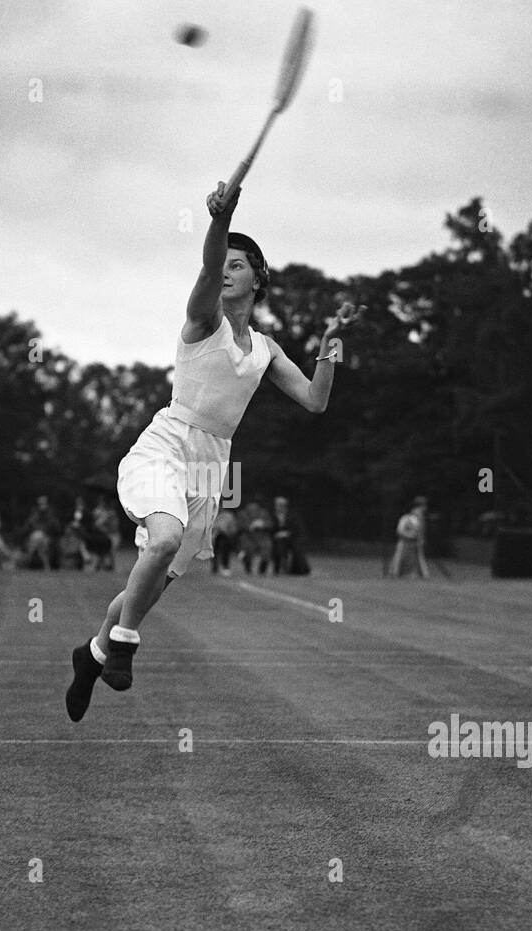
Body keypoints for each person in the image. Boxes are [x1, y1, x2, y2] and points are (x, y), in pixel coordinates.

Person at [63, 178, 363, 721]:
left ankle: (94, 653)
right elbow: (205, 270)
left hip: (210, 465)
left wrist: (329, 346)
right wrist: (220, 220)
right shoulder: (205, 320)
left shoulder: (267, 349)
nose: (225, 269)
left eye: (238, 264)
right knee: (164, 538)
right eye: (221, 261)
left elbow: (316, 402)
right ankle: (124, 644)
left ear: (258, 278)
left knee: (149, 587)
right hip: (167, 444)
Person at [390, 496, 430, 578]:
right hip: (405, 541)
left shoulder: (419, 518)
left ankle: (421, 574)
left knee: (417, 558)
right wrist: (410, 535)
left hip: (415, 541)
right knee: (399, 557)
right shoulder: (407, 518)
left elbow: (420, 531)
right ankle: (395, 573)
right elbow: (400, 531)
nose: (424, 509)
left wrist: (419, 538)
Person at [270, 496, 308, 574]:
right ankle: (278, 568)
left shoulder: (292, 515)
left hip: (291, 538)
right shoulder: (272, 515)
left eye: (281, 505)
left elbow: (297, 528)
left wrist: (287, 533)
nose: (279, 507)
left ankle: (300, 568)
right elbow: (270, 528)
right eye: (278, 505)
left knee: (297, 548)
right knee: (279, 547)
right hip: (276, 539)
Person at [22, 495, 61, 570]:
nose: (42, 505)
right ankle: (46, 565)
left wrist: (42, 531)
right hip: (36, 536)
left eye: (43, 503)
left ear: (47, 503)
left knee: (37, 540)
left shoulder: (51, 514)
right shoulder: (34, 513)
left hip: (48, 536)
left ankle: (28, 560)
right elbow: (28, 525)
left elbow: (56, 527)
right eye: (40, 503)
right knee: (37, 540)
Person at [237, 499, 273, 574]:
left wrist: (263, 524)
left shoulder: (263, 513)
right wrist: (251, 526)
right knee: (247, 548)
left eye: (255, 507)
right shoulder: (243, 514)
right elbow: (239, 526)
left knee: (267, 546)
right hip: (248, 537)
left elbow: (270, 524)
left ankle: (262, 570)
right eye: (251, 507)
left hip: (262, 536)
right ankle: (248, 568)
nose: (253, 509)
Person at [91, 496, 121, 571]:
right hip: (103, 535)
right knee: (101, 552)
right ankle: (99, 566)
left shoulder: (111, 513)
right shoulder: (97, 511)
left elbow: (114, 525)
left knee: (112, 551)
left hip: (113, 534)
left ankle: (111, 567)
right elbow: (96, 524)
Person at [211, 506, 238, 575]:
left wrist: (226, 532)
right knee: (214, 551)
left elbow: (233, 528)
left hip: (225, 536)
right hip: (213, 536)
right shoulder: (211, 514)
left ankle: (225, 566)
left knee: (225, 549)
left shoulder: (228, 516)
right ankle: (215, 567)